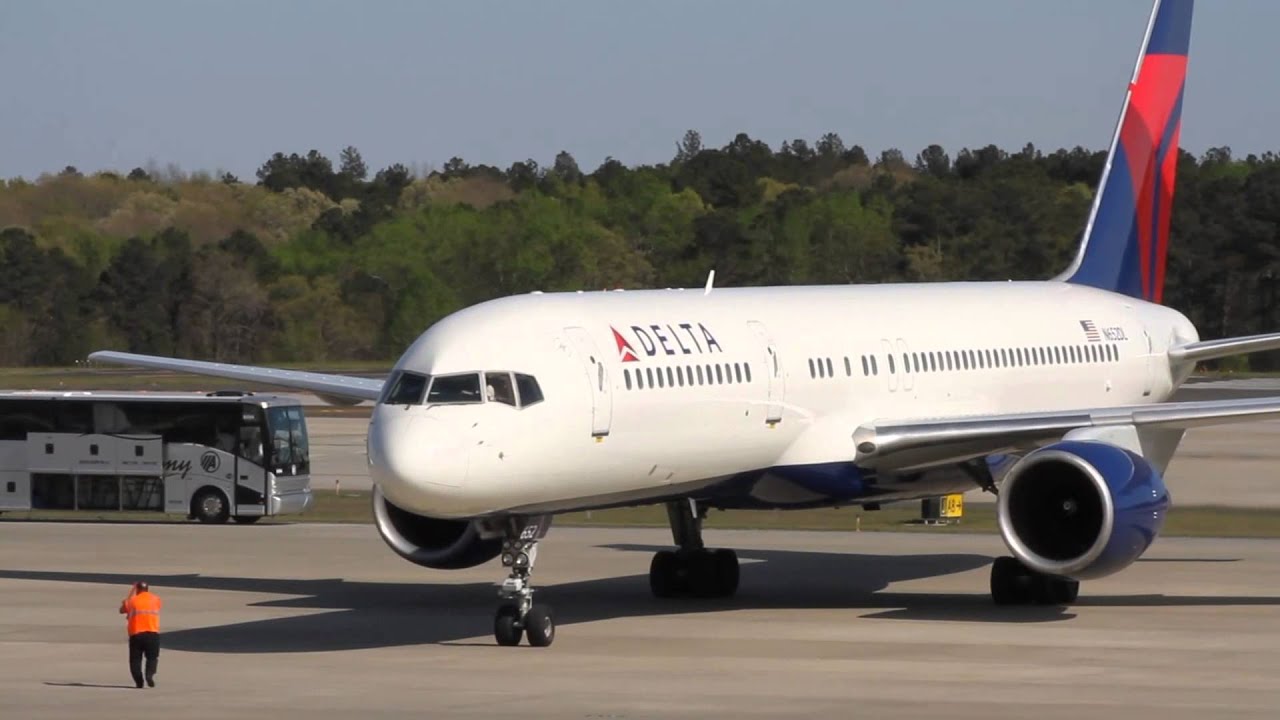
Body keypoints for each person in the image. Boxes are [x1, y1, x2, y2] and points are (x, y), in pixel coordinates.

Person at [118, 581, 162, 689]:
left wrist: (125, 602)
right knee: (152, 658)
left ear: (137, 589)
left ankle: (139, 681)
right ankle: (149, 675)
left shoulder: (131, 600)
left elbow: (121, 610)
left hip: (136, 635)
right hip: (152, 633)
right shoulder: (156, 599)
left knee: (135, 660)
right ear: (147, 589)